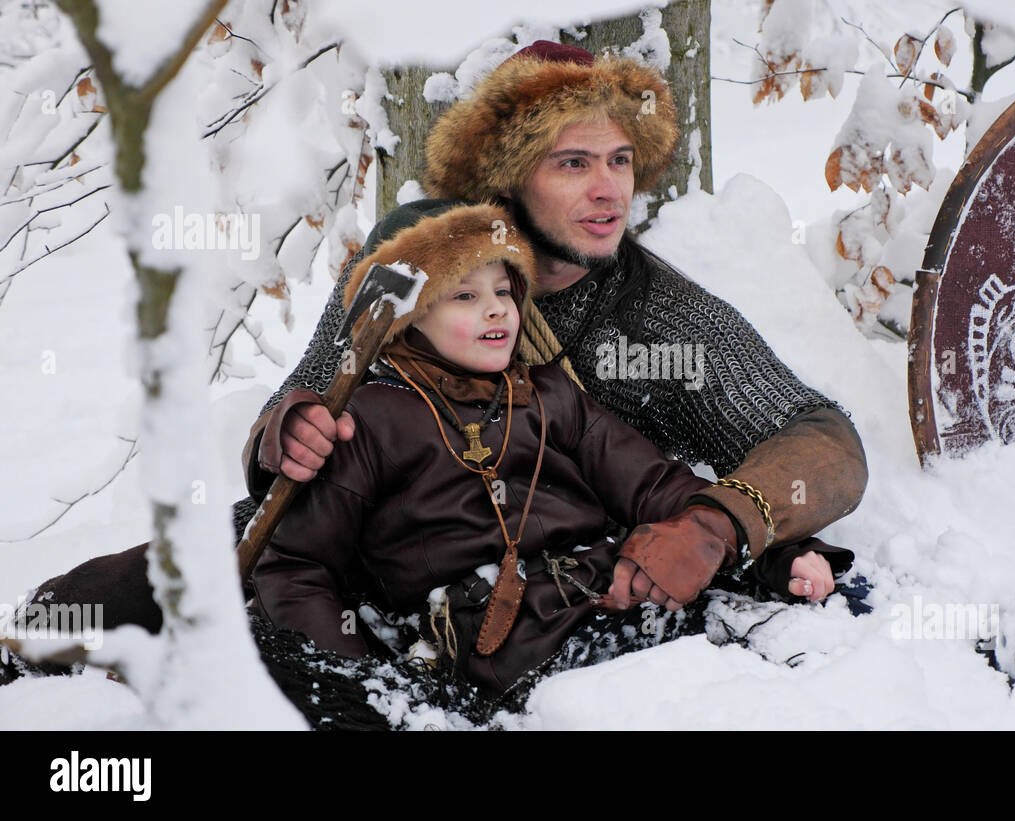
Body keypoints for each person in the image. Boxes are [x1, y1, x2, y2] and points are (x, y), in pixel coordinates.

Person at [243, 40, 871, 615]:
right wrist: (288, 431)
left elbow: (823, 440)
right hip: (338, 560)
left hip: (532, 606)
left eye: (620, 161)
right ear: (508, 176)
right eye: (573, 163)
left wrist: (713, 526)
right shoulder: (416, 261)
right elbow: (299, 404)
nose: (608, 190)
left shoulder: (664, 320)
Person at [252, 200, 853, 699]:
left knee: (805, 636)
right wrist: (375, 690)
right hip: (502, 653)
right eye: (463, 296)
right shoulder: (366, 424)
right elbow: (298, 569)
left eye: (504, 291)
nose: (495, 309)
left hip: (605, 599)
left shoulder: (548, 395)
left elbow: (654, 485)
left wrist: (773, 550)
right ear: (406, 319)